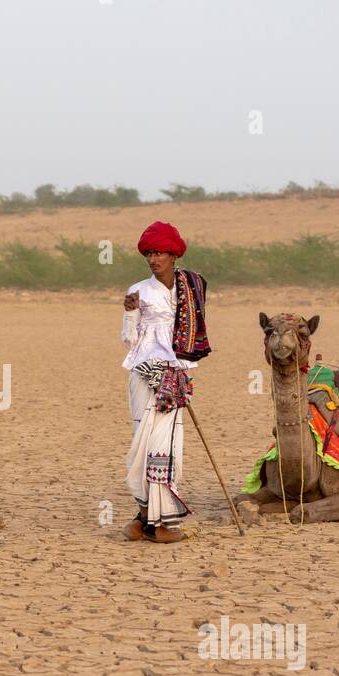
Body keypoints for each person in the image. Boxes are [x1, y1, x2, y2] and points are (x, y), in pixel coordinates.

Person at [121, 221, 211, 543]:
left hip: (176, 372)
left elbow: (196, 329)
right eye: (149, 253)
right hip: (146, 372)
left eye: (159, 252)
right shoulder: (138, 290)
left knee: (166, 445)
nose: (153, 259)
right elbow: (129, 340)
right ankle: (158, 524)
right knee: (145, 444)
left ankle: (147, 521)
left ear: (173, 255)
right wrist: (131, 314)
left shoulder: (191, 287)